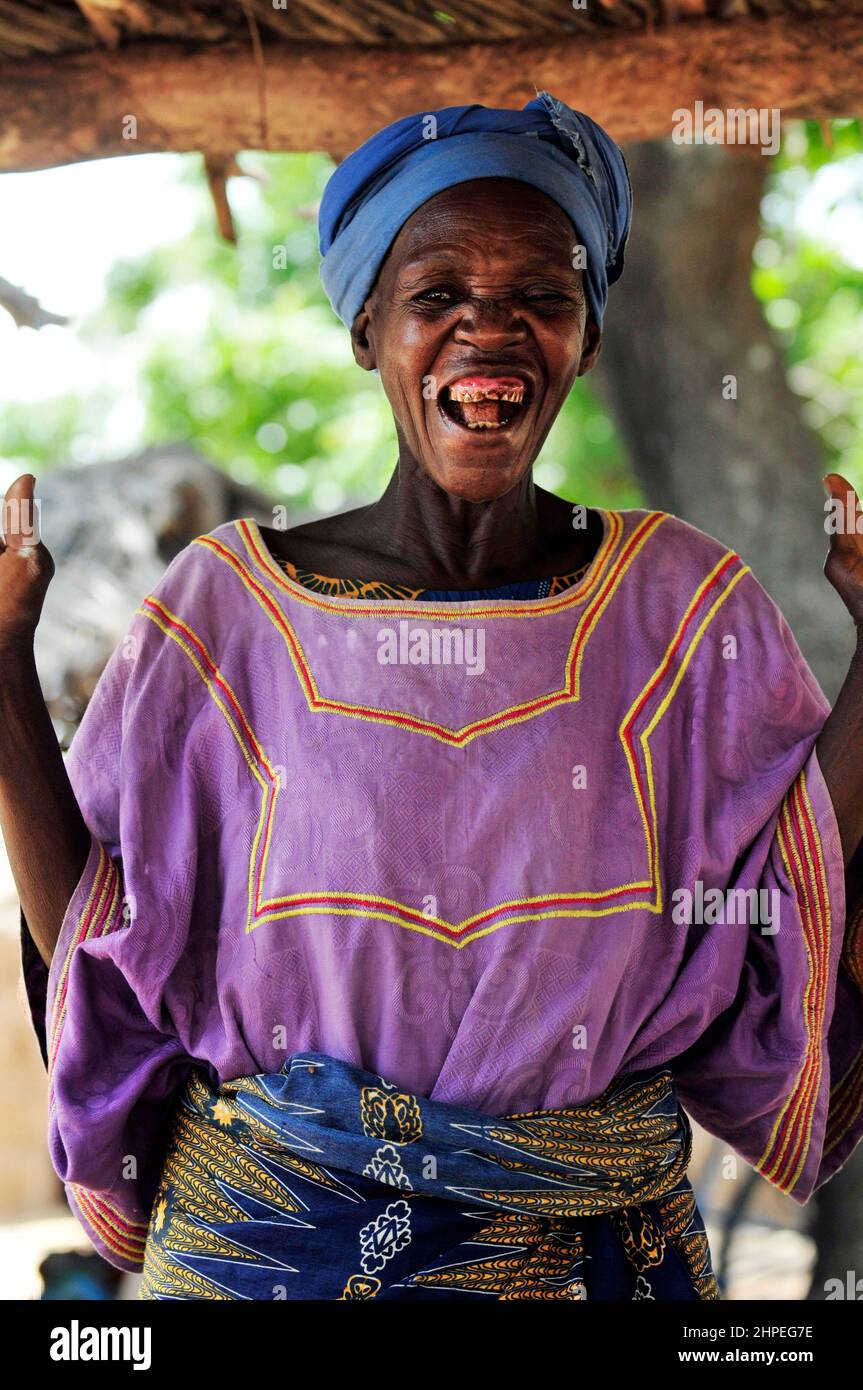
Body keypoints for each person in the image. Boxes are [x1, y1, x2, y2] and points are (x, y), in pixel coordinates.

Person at [3, 93, 862, 1302]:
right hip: (273, 1259)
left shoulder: (678, 605)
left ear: (588, 337)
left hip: (589, 1262)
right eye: (437, 294)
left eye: (541, 299)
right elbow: (100, 941)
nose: (489, 331)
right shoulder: (225, 615)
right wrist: (1, 669)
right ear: (367, 330)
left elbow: (787, 895)